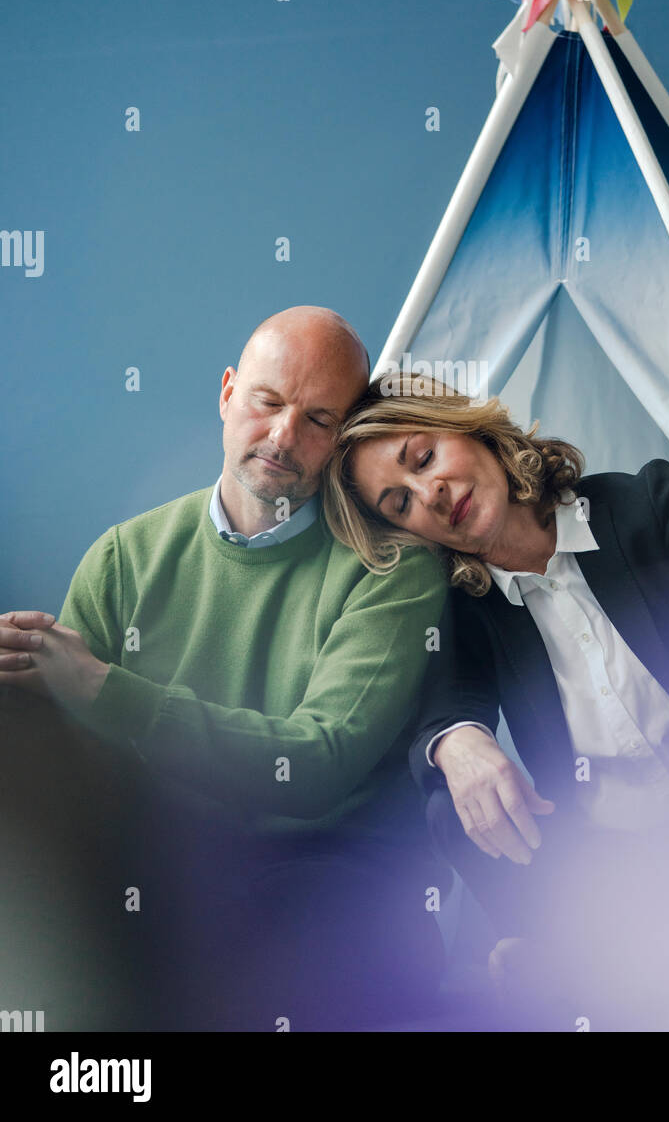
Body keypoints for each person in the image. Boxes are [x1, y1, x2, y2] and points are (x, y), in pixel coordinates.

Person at [321, 371, 669, 1031]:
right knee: (453, 788)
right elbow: (445, 704)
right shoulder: (460, 610)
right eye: (399, 503)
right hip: (610, 879)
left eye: (423, 458)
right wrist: (458, 739)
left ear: (467, 426)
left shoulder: (657, 502)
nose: (430, 493)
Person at [0, 309, 448, 1031]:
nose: (281, 437)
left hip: (329, 893)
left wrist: (104, 688)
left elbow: (318, 762)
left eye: (318, 419)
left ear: (345, 439)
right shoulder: (125, 559)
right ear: (228, 394)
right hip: (163, 885)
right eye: (268, 403)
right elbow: (80, 774)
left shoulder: (389, 568)